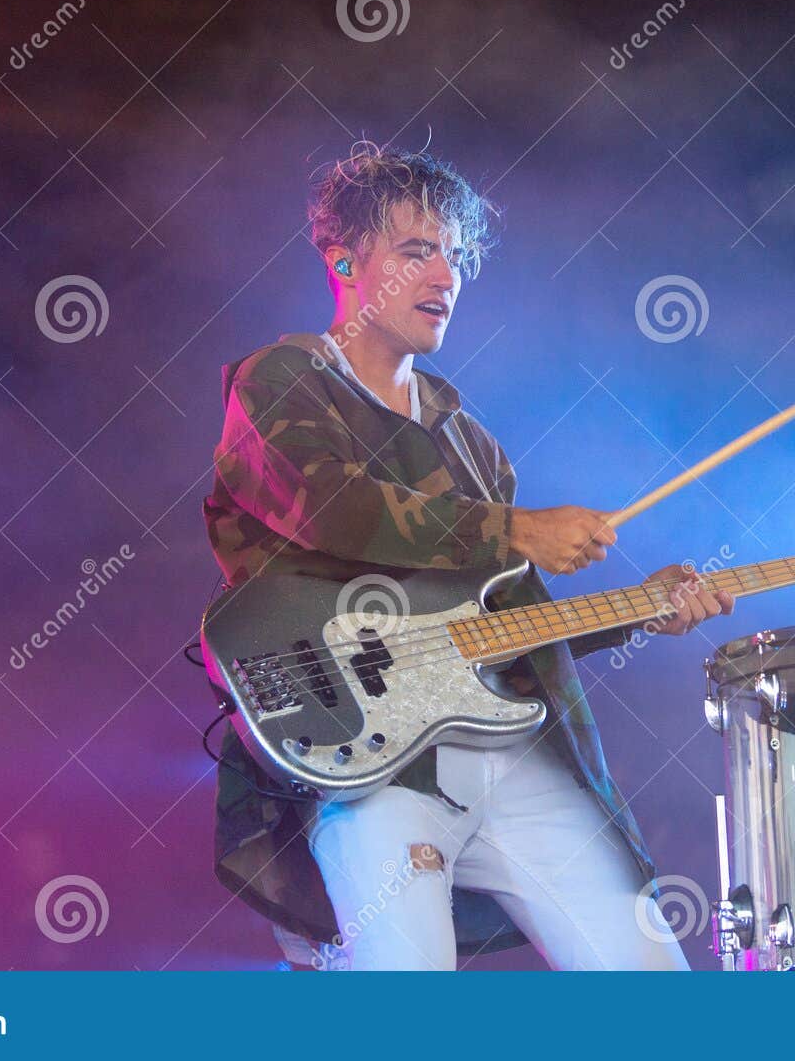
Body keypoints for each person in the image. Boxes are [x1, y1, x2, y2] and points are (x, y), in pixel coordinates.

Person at [203, 142, 732, 970]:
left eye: (454, 255)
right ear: (344, 259)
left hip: (501, 750)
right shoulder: (281, 379)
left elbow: (508, 627)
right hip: (369, 765)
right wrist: (516, 529)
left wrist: (640, 608)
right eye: (417, 251)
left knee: (650, 978)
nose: (445, 276)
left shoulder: (471, 442)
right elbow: (331, 507)